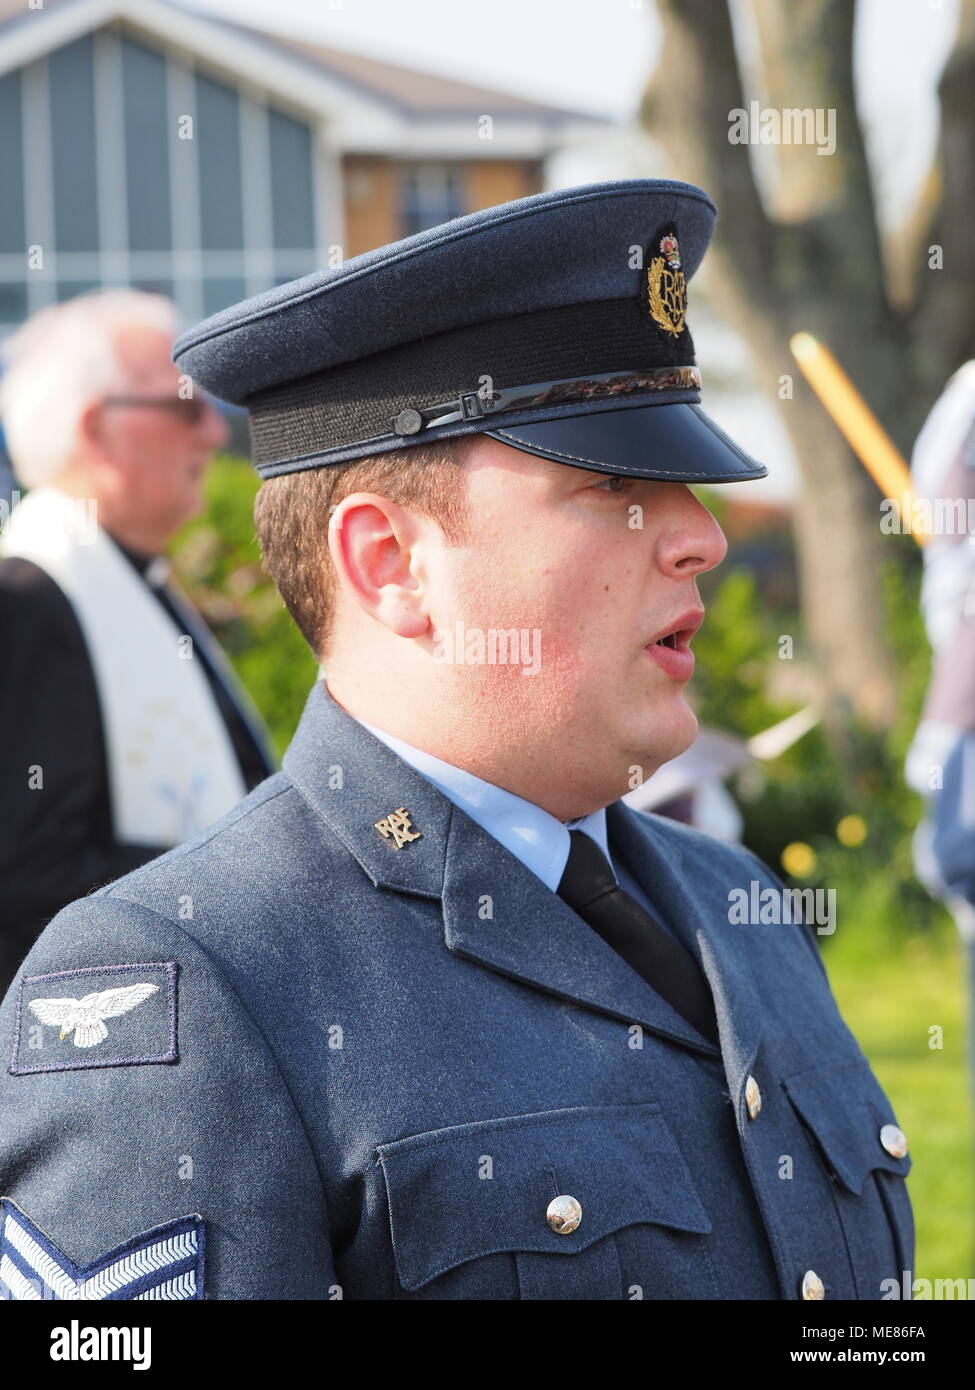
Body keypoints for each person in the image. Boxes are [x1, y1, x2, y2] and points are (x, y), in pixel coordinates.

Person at [0, 181, 913, 1301]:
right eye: (614, 483)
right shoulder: (190, 987)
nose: (701, 537)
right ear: (391, 564)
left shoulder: (737, 904)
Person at [0, 291, 275, 994]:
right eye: (185, 406)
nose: (212, 433)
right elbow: (29, 870)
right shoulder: (26, 603)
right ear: (98, 429)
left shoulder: (132, 579)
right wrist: (268, 890)